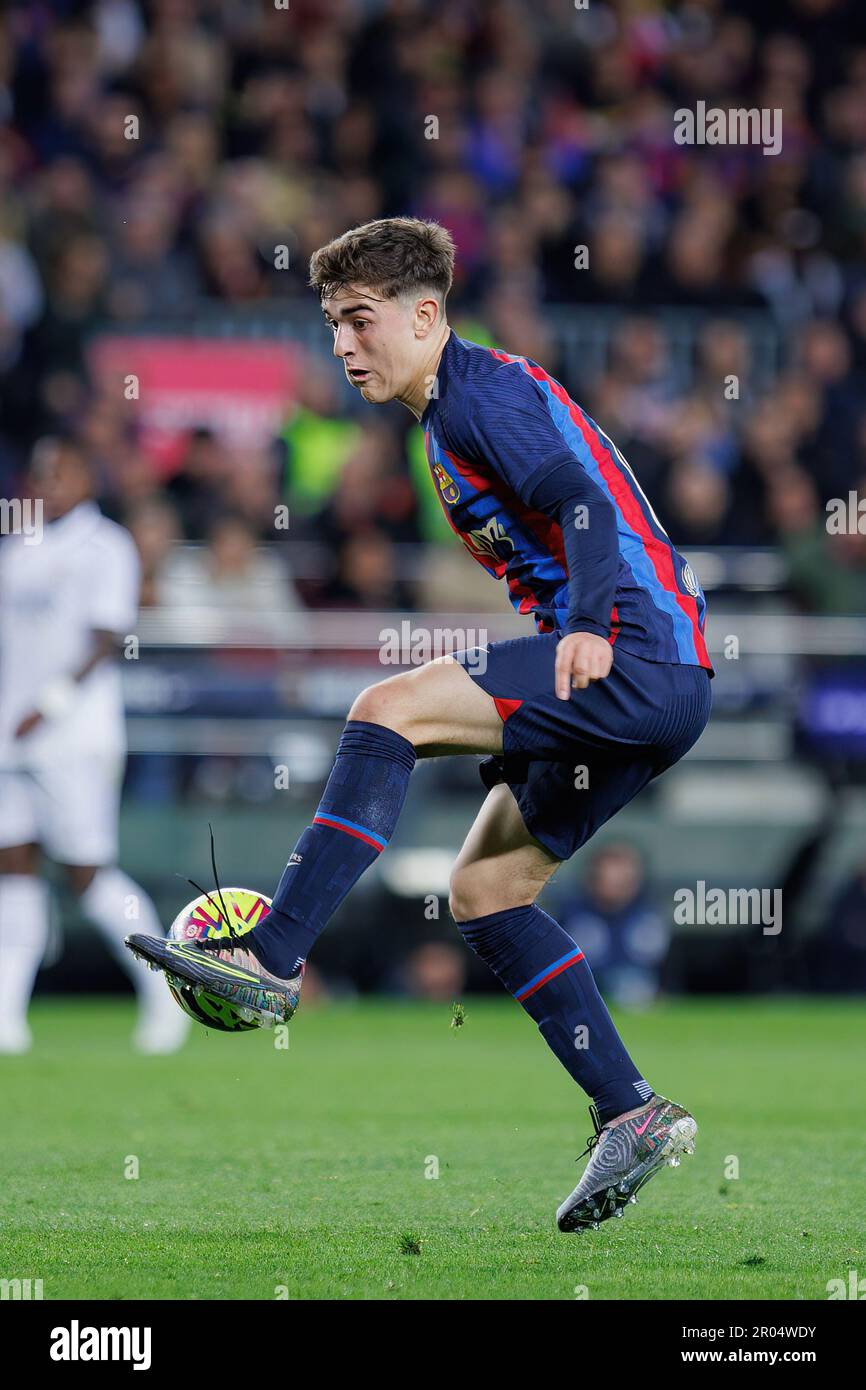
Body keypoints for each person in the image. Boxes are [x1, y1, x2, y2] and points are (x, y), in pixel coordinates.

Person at [128, 218, 712, 1230]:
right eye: (333, 326)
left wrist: (580, 627)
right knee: (485, 888)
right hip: (655, 674)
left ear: (425, 314)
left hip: (629, 652)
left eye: (360, 320)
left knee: (383, 707)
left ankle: (271, 959)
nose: (345, 345)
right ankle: (631, 1110)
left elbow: (577, 500)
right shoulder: (441, 421)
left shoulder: (480, 393)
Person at [0, 435, 188, 1055]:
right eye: (41, 471)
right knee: (13, 867)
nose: (49, 482)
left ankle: (164, 991)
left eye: (62, 471)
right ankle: (7, 1016)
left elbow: (105, 637)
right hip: (9, 737)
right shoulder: (18, 547)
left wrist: (48, 705)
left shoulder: (104, 544)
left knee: (86, 873)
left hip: (74, 735)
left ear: (86, 477)